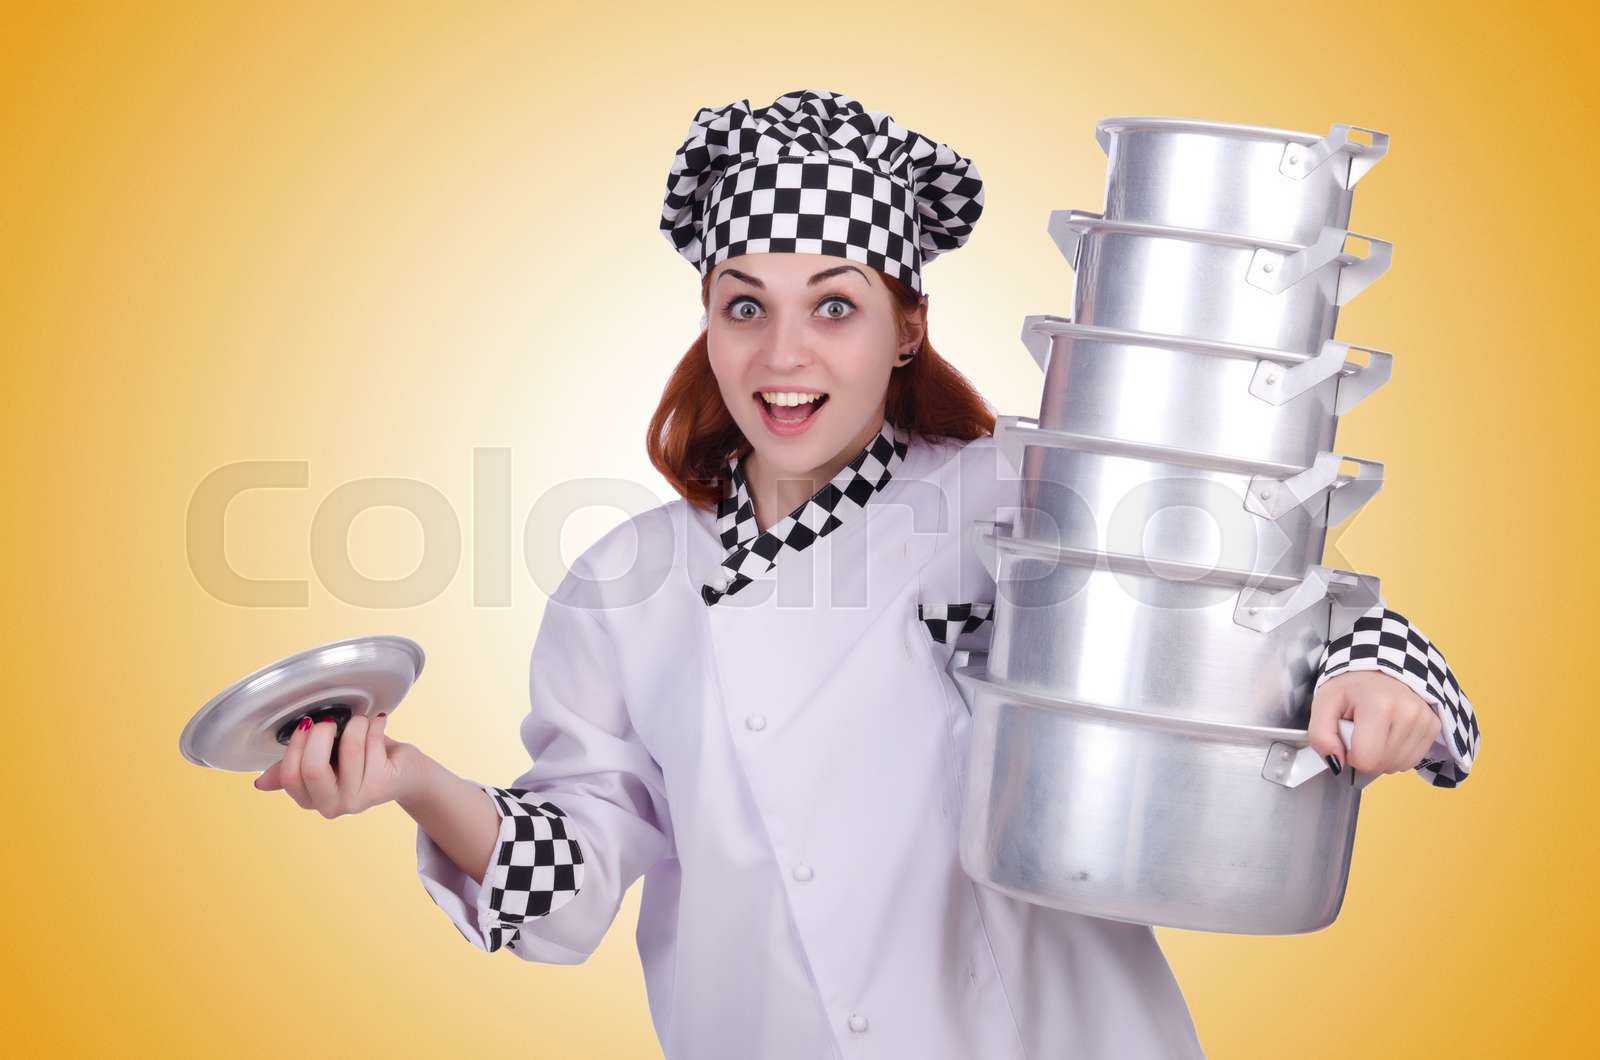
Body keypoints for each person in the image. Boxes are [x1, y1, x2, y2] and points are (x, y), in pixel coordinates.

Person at [253, 89, 1481, 1059]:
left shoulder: (1021, 492)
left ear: (906, 327)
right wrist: (411, 780)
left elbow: (1269, 612)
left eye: (831, 307)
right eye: (745, 306)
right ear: (707, 319)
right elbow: (567, 886)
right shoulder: (622, 586)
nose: (781, 355)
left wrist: (1381, 681)